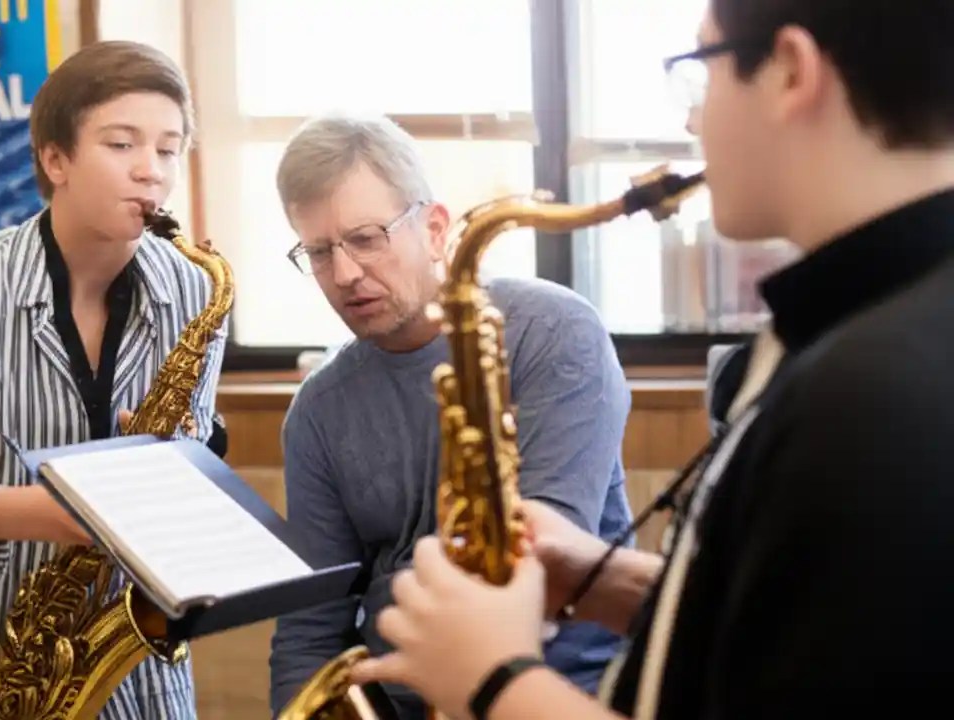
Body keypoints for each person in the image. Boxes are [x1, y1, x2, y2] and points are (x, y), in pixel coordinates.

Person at [350, 1, 954, 718]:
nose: (692, 121)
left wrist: (492, 679)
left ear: (790, 71)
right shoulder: (866, 327)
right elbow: (814, 631)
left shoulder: (876, 396)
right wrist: (602, 580)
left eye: (701, 69)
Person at [0, 40, 227, 720]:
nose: (151, 172)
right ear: (55, 159)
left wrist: (184, 464)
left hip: (129, 664)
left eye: (169, 149)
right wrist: (61, 514)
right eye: (122, 145)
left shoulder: (194, 288)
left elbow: (194, 447)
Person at [267, 113, 635, 718]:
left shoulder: (554, 330)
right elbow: (310, 626)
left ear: (435, 229)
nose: (345, 274)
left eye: (366, 237)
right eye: (318, 251)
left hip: (560, 692)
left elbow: (540, 562)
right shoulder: (317, 410)